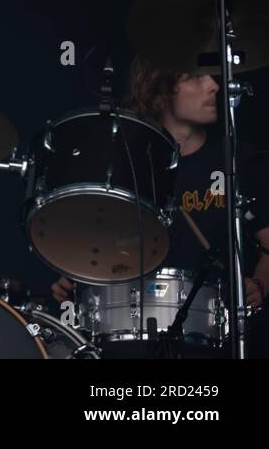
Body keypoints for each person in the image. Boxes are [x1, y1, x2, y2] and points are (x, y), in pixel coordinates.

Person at [50, 58, 269, 332]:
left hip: (217, 331)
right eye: (196, 78)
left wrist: (259, 285)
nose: (214, 86)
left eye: (212, 77)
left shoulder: (237, 159)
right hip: (131, 328)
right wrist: (75, 277)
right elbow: (98, 242)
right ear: (159, 88)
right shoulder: (126, 161)